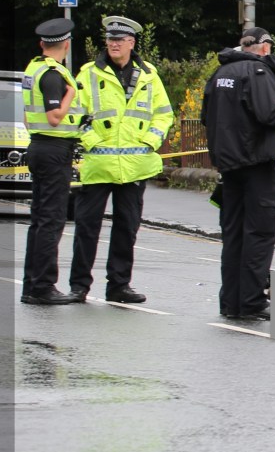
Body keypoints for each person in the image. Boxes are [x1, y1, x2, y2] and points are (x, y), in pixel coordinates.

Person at [69, 15, 172, 304]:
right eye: (110, 39)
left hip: (134, 166)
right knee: (87, 228)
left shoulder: (149, 74)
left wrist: (150, 140)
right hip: (98, 164)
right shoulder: (88, 73)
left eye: (119, 40)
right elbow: (74, 113)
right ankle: (79, 286)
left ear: (131, 43)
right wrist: (92, 140)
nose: (113, 44)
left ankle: (119, 285)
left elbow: (164, 113)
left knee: (127, 228)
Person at [203, 26, 275, 322]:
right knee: (259, 234)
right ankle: (252, 302)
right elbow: (271, 114)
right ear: (265, 47)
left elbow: (207, 118)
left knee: (233, 236)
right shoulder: (257, 72)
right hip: (257, 163)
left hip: (229, 166)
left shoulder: (219, 75)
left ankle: (230, 302)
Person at [19, 18, 83, 305]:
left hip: (38, 146)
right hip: (54, 149)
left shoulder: (33, 69)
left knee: (39, 219)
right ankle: (44, 286)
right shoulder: (53, 75)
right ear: (66, 45)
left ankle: (31, 285)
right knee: (52, 219)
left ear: (41, 44)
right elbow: (54, 117)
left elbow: (27, 115)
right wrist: (70, 94)